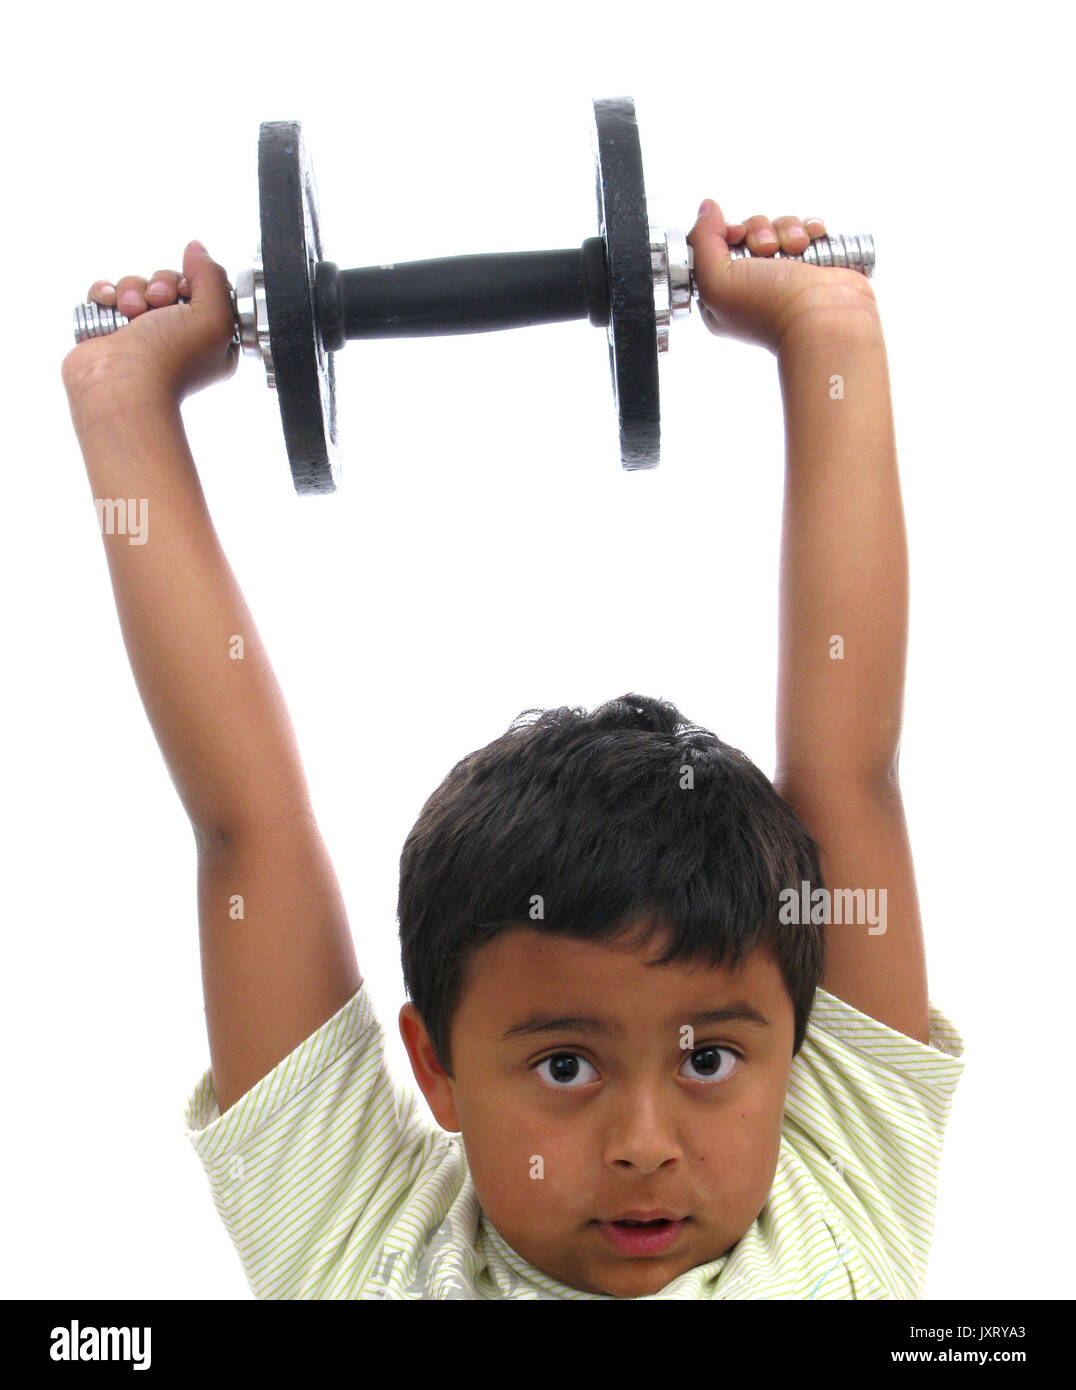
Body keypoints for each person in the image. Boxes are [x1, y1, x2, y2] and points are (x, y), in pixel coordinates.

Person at [61, 203, 965, 1300]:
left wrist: (829, 329)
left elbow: (848, 768)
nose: (643, 1144)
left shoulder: (839, 1195)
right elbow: (244, 827)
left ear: (793, 1047)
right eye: (564, 1064)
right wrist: (122, 403)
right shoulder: (368, 1250)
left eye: (710, 1059)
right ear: (437, 1068)